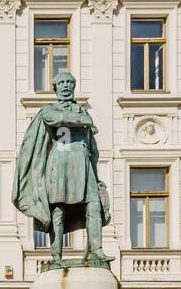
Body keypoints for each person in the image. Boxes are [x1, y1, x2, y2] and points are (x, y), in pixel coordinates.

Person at [11, 70, 111, 264]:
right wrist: (83, 120)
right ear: (55, 88)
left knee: (94, 206)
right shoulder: (49, 109)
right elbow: (55, 119)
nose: (66, 86)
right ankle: (56, 256)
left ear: (74, 86)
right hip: (59, 165)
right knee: (58, 211)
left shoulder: (82, 110)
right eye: (61, 83)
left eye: (69, 83)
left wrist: (97, 178)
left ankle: (97, 250)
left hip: (83, 163)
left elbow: (92, 148)